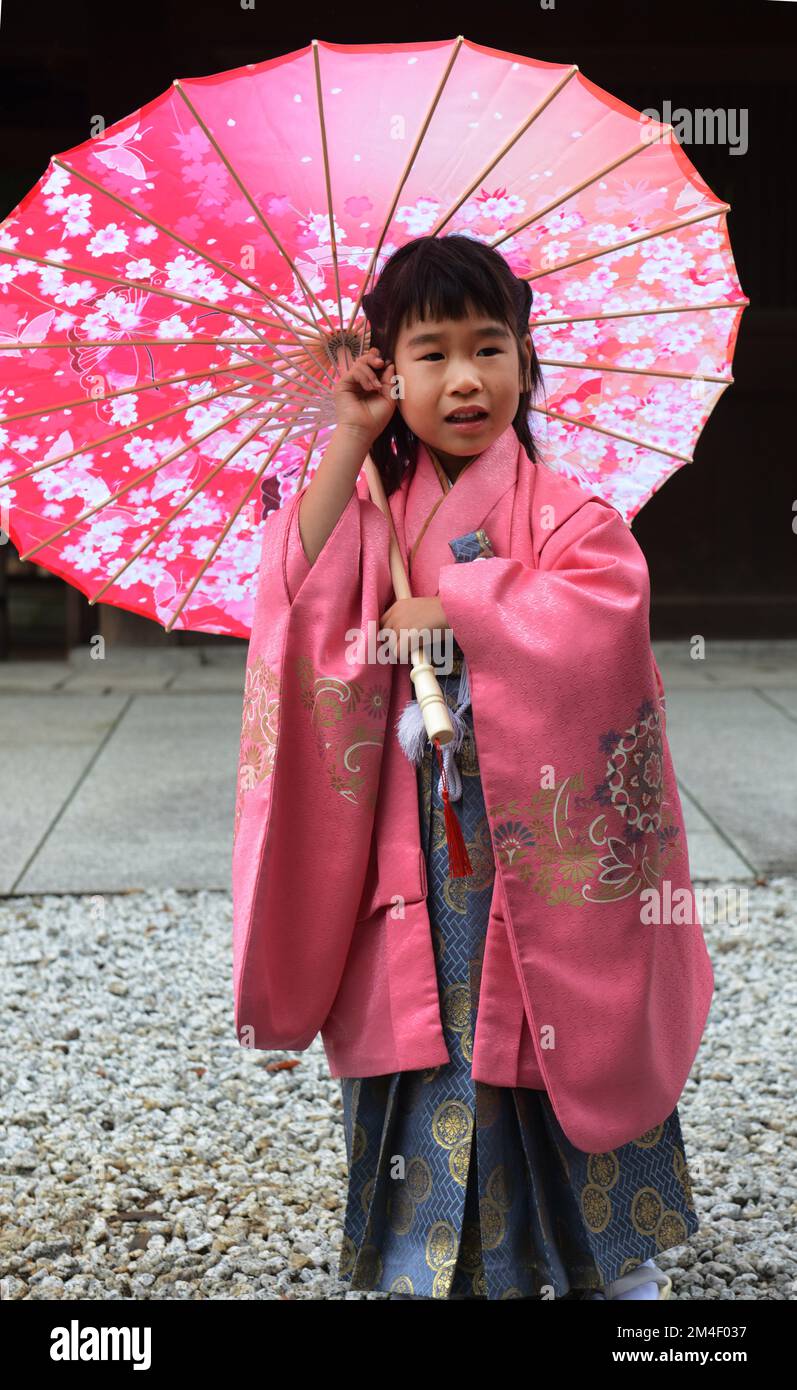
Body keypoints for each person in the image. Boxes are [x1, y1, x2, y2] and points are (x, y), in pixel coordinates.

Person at [233, 234, 714, 1301]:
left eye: (488, 348)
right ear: (384, 372)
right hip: (417, 852)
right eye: (429, 353)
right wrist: (347, 442)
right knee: (435, 1048)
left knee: (561, 1036)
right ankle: (435, 1261)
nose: (463, 379)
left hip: (536, 858)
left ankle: (611, 1262)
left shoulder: (562, 512)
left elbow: (603, 623)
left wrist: (455, 607)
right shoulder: (369, 509)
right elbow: (298, 601)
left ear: (525, 362)